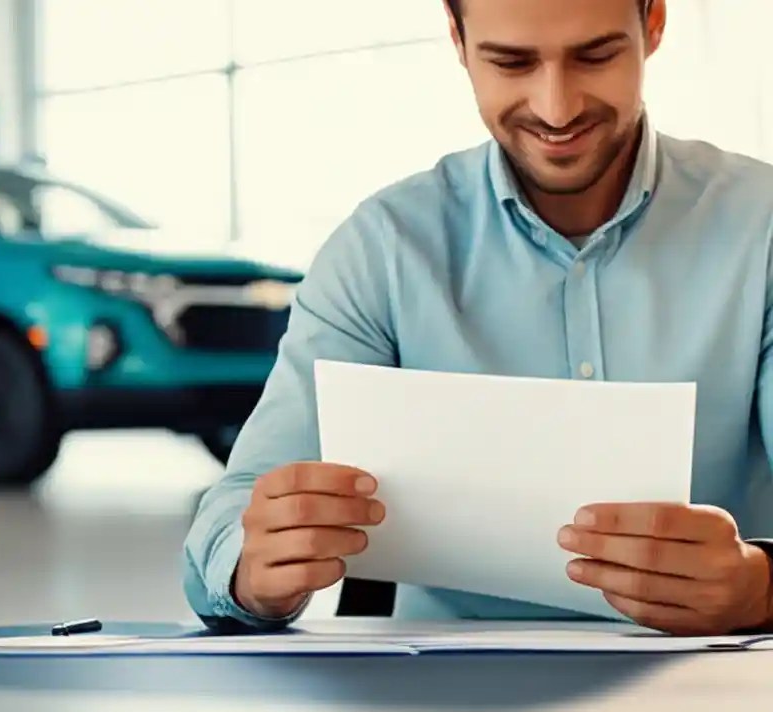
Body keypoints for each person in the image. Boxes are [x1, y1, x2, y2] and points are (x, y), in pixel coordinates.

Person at [184, 0, 773, 637]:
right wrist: (254, 569)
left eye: (596, 56)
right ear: (458, 39)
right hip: (438, 690)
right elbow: (233, 513)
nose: (557, 108)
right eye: (511, 62)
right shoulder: (386, 248)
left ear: (653, 24)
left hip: (713, 682)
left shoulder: (760, 230)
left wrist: (762, 587)